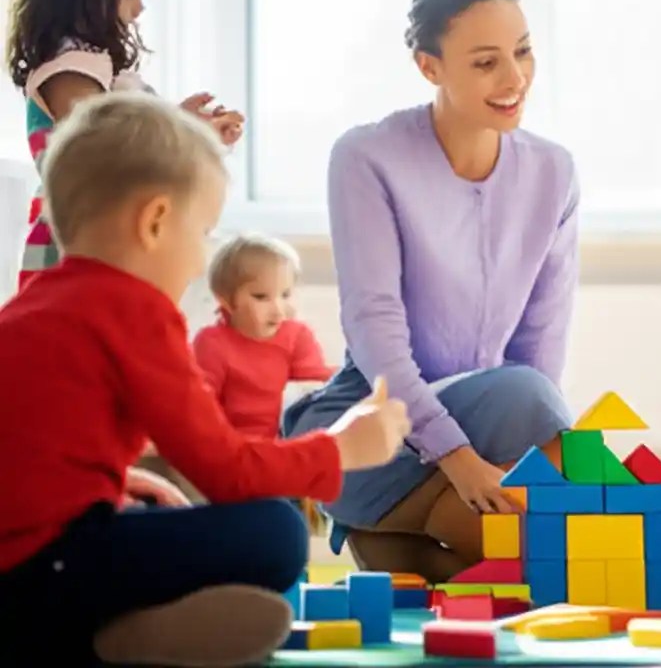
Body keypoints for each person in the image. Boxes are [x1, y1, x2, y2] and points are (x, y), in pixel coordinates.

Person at [0, 92, 410, 666]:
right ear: (156, 221)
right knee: (276, 532)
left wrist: (117, 486)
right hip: (49, 573)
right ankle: (108, 636)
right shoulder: (135, 311)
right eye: (203, 233)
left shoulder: (29, 306)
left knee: (159, 512)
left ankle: (123, 625)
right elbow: (226, 472)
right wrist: (338, 449)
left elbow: (30, 463)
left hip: (25, 567)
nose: (200, 262)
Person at [282, 0, 577, 581]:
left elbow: (540, 346)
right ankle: (393, 527)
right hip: (371, 420)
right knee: (522, 414)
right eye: (486, 62)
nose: (515, 78)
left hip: (492, 414)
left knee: (535, 418)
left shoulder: (553, 172)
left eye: (523, 51)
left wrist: (516, 458)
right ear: (429, 67)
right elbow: (376, 335)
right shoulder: (367, 157)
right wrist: (461, 461)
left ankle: (391, 538)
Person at [5, 0, 244, 291]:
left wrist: (181, 124)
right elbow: (113, 154)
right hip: (82, 250)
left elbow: (126, 135)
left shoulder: (98, 66)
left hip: (108, 241)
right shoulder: (70, 72)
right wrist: (184, 134)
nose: (140, 7)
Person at [194, 233, 334, 439]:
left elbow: (315, 387)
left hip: (287, 438)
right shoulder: (211, 343)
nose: (278, 310)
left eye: (285, 294)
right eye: (261, 297)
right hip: (234, 443)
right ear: (225, 301)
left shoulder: (297, 335)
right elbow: (200, 406)